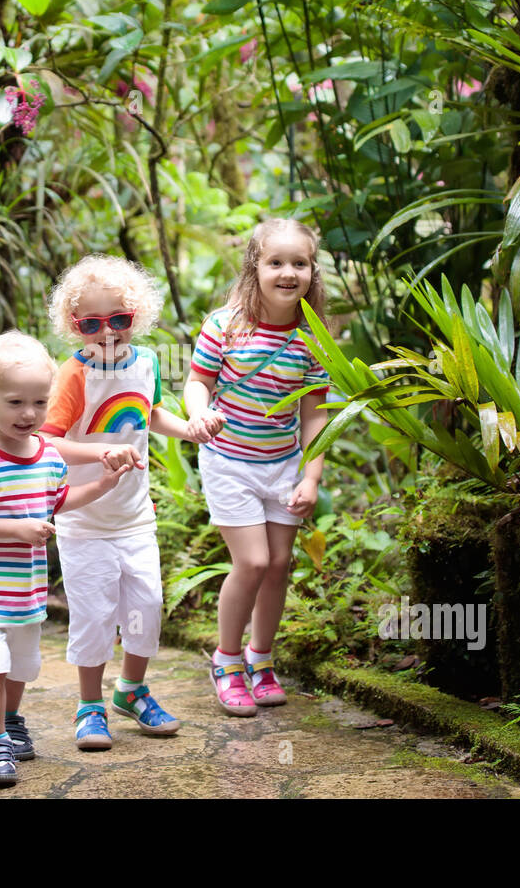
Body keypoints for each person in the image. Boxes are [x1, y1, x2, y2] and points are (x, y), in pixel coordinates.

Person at [0, 330, 130, 787]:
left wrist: (102, 486)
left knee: (21, 667)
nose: (29, 414)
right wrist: (16, 530)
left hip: (24, 593)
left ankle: (11, 720)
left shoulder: (46, 454)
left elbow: (57, 500)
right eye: (15, 403)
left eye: (39, 403)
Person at [41, 256, 207, 750]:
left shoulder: (147, 363)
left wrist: (191, 428)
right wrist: (100, 452)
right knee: (93, 615)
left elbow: (150, 414)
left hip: (135, 517)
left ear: (138, 315)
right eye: (90, 324)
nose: (107, 332)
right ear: (73, 327)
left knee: (147, 606)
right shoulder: (74, 376)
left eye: (119, 319)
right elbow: (47, 442)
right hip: (84, 520)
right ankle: (89, 705)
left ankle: (131, 691)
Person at [183, 219, 331, 717]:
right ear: (255, 267)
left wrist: (310, 477)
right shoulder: (224, 324)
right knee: (252, 562)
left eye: (299, 263)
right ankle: (227, 662)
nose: (288, 272)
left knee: (278, 567)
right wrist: (198, 412)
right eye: (276, 262)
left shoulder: (313, 340)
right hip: (228, 461)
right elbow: (197, 382)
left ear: (312, 271)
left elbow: (315, 413)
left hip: (282, 464)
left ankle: (261, 660)